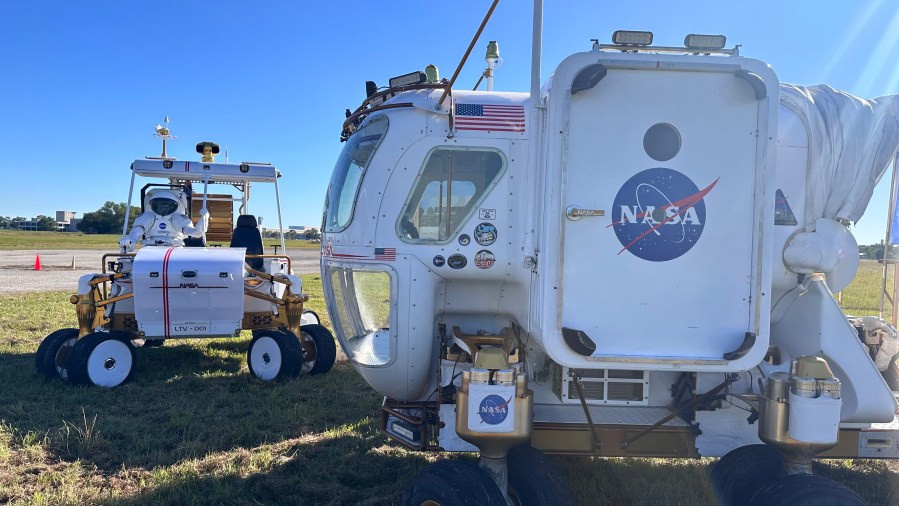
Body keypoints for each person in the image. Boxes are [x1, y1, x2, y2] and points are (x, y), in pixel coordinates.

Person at [119, 188, 209, 251]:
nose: (162, 209)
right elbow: (136, 233)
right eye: (159, 205)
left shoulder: (177, 218)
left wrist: (204, 218)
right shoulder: (148, 217)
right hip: (150, 248)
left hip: (175, 248)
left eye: (166, 206)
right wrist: (130, 241)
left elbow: (196, 233)